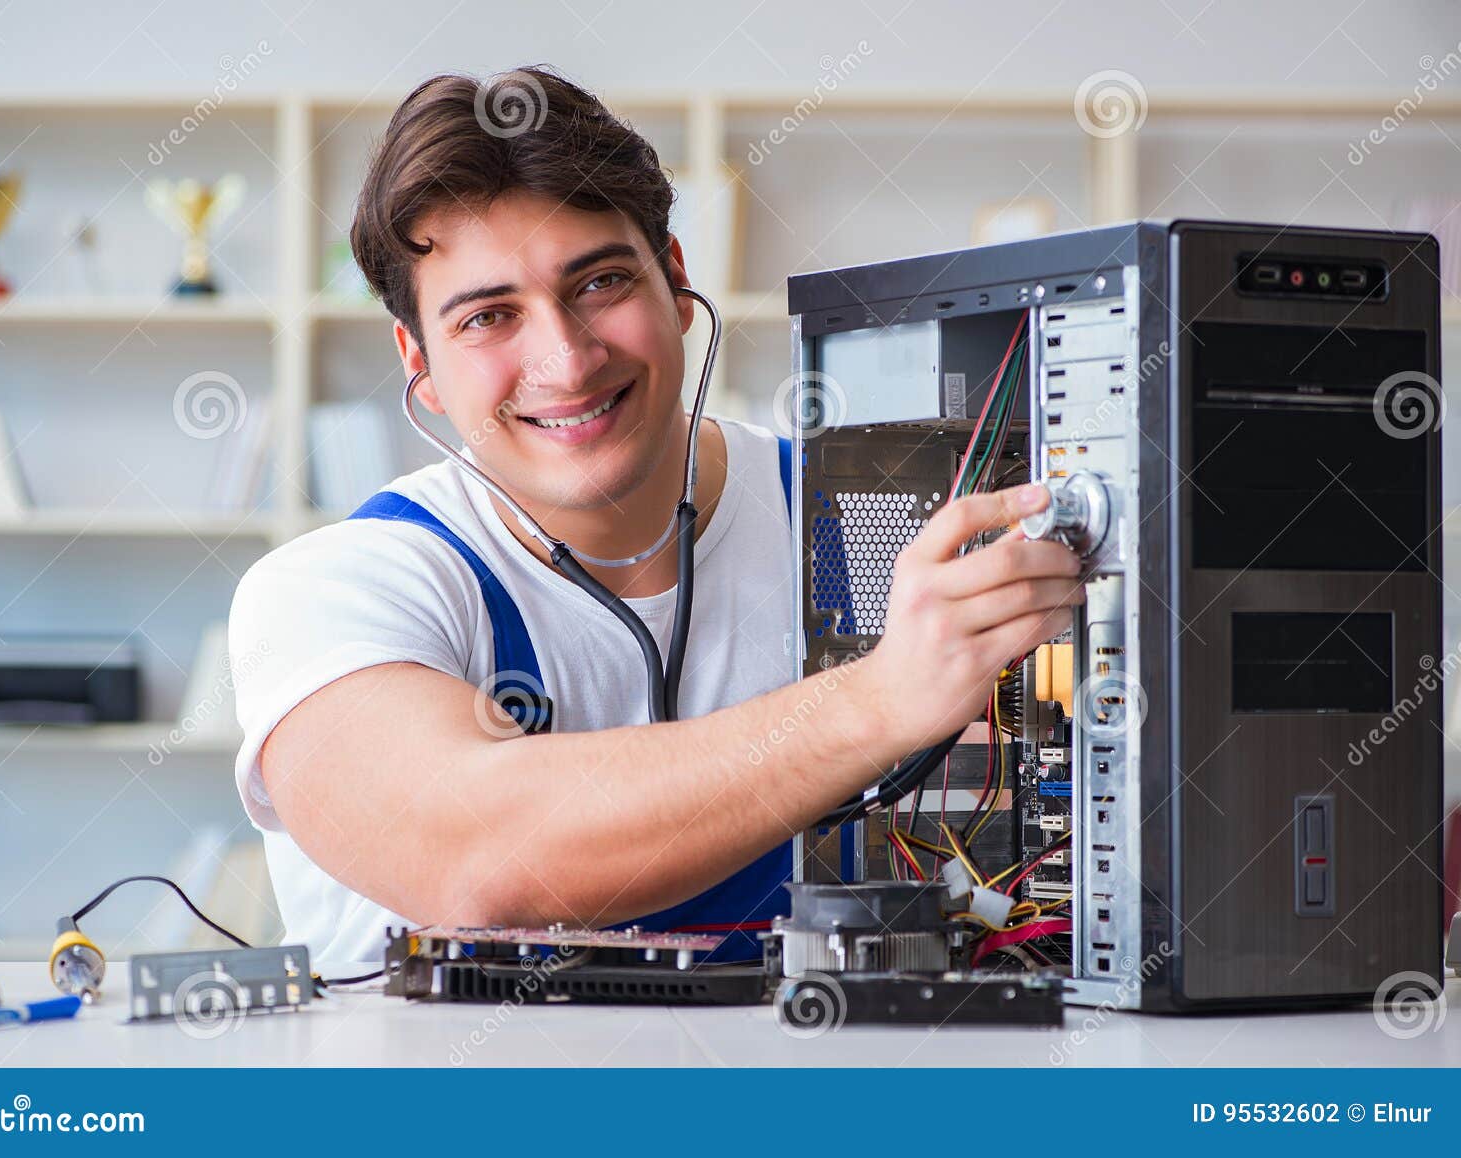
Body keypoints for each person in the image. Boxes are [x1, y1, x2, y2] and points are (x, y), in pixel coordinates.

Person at [227, 66, 1082, 963]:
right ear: (421, 366)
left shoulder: (881, 527)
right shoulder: (329, 592)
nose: (566, 360)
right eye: (487, 318)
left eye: (599, 282)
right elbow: (476, 863)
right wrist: (874, 703)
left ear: (674, 281)